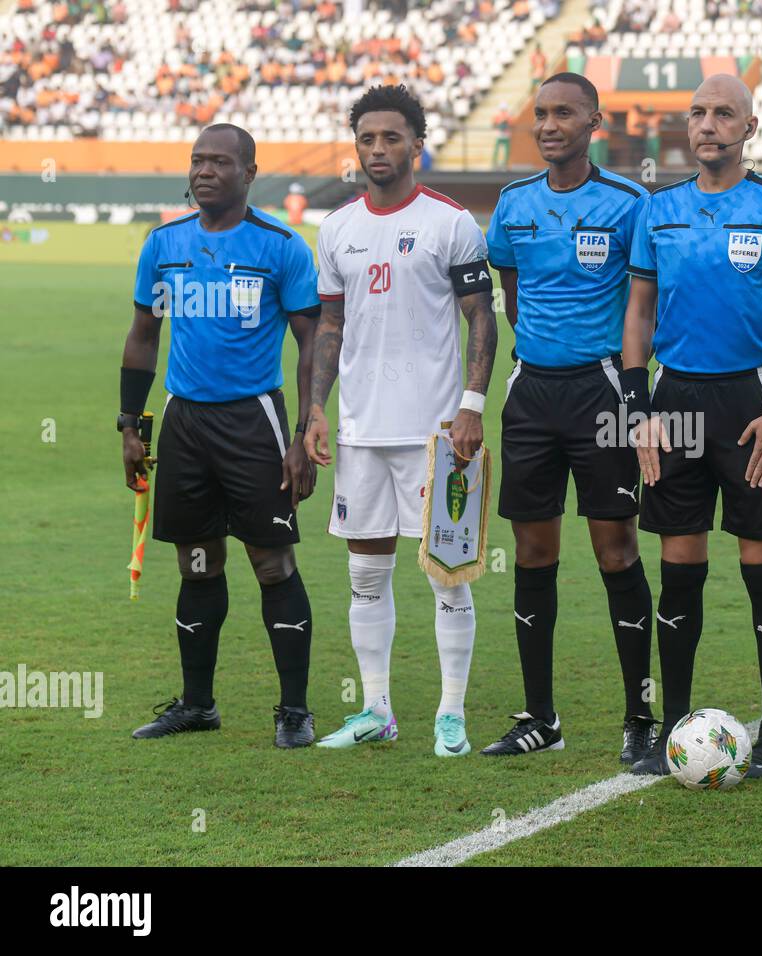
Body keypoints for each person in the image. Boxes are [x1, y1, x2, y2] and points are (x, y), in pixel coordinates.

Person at [622, 74, 762, 778]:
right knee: (679, 568)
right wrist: (638, 408)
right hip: (674, 398)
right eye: (699, 113)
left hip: (752, 403)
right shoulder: (659, 210)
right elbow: (640, 313)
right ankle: (673, 731)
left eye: (724, 114)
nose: (709, 125)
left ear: (750, 127)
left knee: (761, 565)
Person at [305, 84, 498, 757]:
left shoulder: (452, 222)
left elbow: (482, 318)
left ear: (417, 143)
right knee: (365, 574)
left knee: (448, 573)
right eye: (366, 138)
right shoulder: (335, 228)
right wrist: (316, 411)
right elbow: (330, 323)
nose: (378, 149)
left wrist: (470, 407)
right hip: (360, 431)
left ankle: (451, 713)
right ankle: (377, 709)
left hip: (437, 434)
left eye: (391, 137)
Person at [122, 123, 321, 748]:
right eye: (197, 160)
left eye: (219, 162)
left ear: (248, 172)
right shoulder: (164, 244)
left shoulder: (281, 246)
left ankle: (294, 711)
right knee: (197, 562)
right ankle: (197, 704)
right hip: (184, 421)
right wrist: (131, 424)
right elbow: (143, 336)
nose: (205, 171)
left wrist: (305, 428)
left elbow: (312, 340)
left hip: (253, 421)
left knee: (271, 562)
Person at [482, 73, 659, 761]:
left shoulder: (628, 203)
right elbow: (512, 291)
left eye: (565, 113)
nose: (550, 124)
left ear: (595, 122)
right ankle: (541, 719)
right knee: (532, 553)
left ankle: (639, 720)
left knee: (616, 549)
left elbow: (646, 304)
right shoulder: (512, 202)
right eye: (542, 114)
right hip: (531, 395)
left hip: (603, 393)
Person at [492, 101, 513, 168]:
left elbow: (511, 124)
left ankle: (504, 163)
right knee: (498, 149)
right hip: (500, 134)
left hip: (505, 134)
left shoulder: (507, 116)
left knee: (506, 150)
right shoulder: (498, 116)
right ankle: (495, 162)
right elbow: (494, 124)